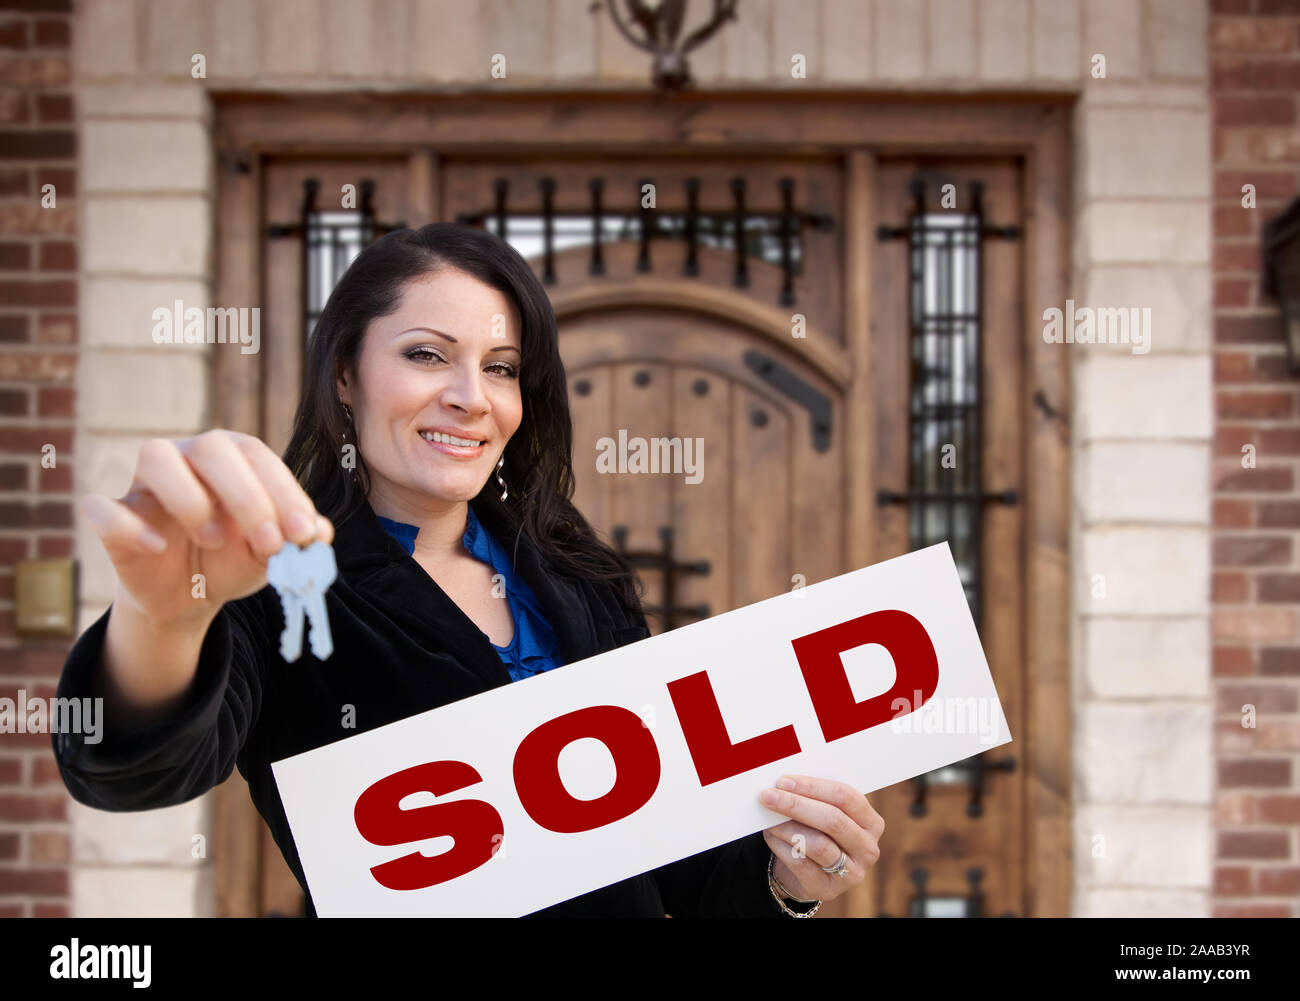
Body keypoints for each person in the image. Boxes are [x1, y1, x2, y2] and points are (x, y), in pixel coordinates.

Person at [53, 222, 884, 917]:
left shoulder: (577, 575)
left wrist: (788, 880)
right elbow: (130, 771)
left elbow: (678, 868)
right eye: (425, 354)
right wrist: (164, 614)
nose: (470, 397)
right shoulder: (274, 583)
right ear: (345, 375)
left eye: (500, 366)